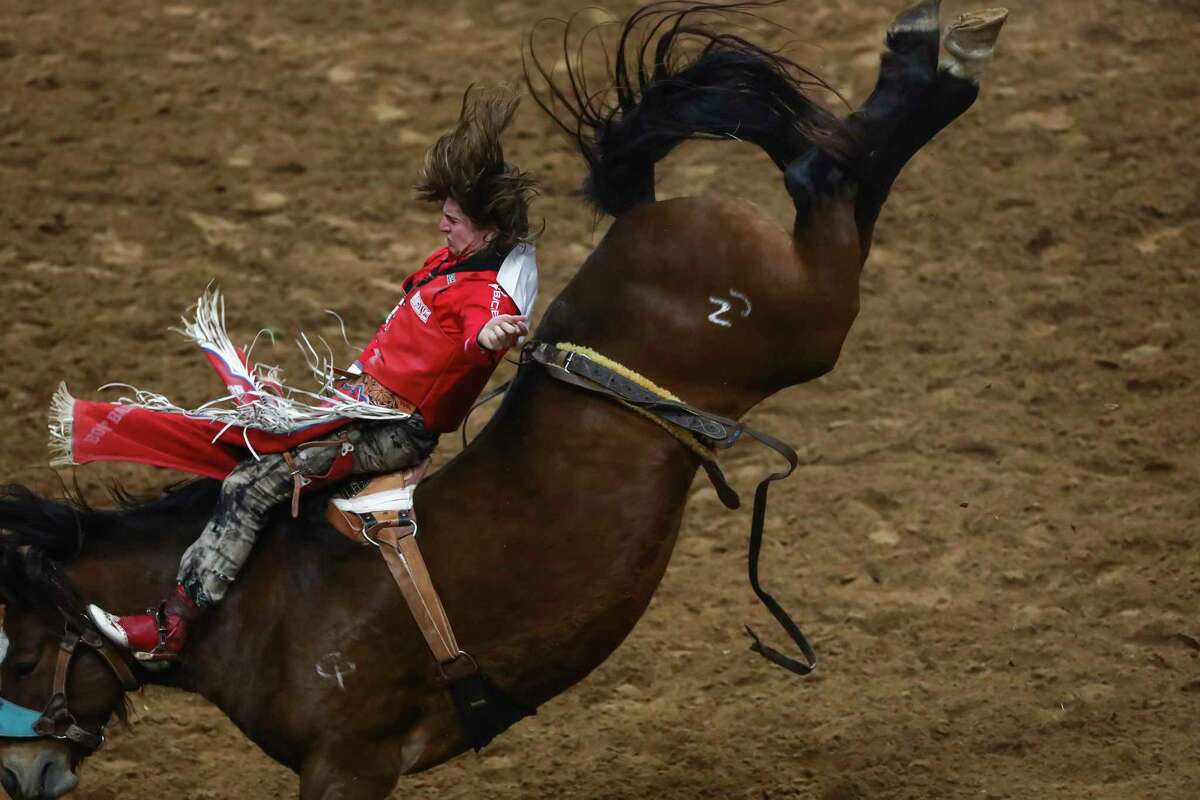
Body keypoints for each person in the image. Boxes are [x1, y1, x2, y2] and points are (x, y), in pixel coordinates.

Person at [87, 88, 538, 661]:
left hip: (388, 432)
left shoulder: (485, 294)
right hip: (357, 406)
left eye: (452, 220)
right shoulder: (453, 260)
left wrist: (493, 336)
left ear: (488, 231)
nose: (442, 228)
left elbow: (485, 329)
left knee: (249, 486)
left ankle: (174, 626)